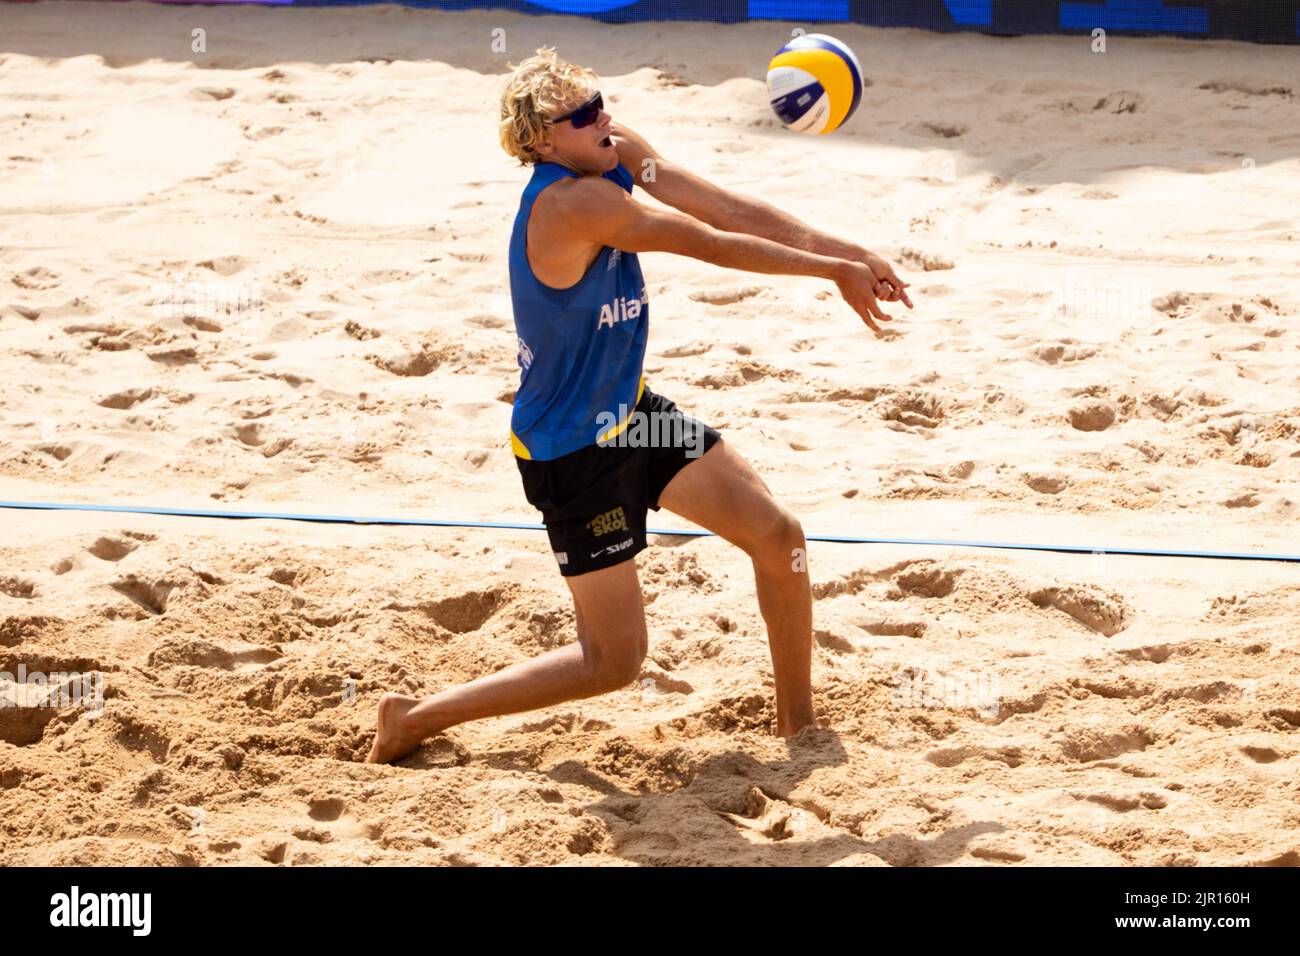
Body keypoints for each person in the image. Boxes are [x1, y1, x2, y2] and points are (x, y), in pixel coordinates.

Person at [366, 46, 911, 764]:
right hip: (572, 451)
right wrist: (828, 271)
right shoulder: (573, 203)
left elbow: (721, 205)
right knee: (612, 662)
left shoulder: (613, 156)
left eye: (602, 102)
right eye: (585, 114)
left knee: (781, 539)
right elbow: (707, 241)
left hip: (634, 413)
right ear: (541, 141)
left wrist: (851, 251)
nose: (605, 119)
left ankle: (798, 730)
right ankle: (414, 719)